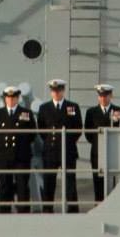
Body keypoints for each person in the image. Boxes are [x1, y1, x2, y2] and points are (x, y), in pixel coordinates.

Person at [36, 79, 82, 213]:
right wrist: (50, 141)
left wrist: (68, 141)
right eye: (54, 90)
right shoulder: (44, 108)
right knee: (49, 181)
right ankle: (47, 208)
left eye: (59, 90)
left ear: (63, 91)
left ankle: (72, 208)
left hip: (68, 150)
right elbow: (41, 128)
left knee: (70, 181)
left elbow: (78, 128)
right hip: (50, 150)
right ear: (51, 92)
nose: (56, 93)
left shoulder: (73, 107)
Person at [0, 85, 37, 213]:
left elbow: (32, 134)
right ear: (5, 98)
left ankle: (23, 211)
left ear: (17, 98)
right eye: (8, 97)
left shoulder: (26, 113)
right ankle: (4, 211)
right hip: (4, 155)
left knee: (22, 184)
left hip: (21, 156)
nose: (11, 100)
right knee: (5, 184)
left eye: (13, 97)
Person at [83, 84, 120, 202]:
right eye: (101, 96)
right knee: (98, 180)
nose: (103, 98)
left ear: (111, 96)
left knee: (114, 181)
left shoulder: (119, 111)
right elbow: (88, 133)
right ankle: (99, 204)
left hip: (115, 152)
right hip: (97, 152)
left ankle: (113, 204)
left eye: (106, 95)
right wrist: (98, 143)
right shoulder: (91, 112)